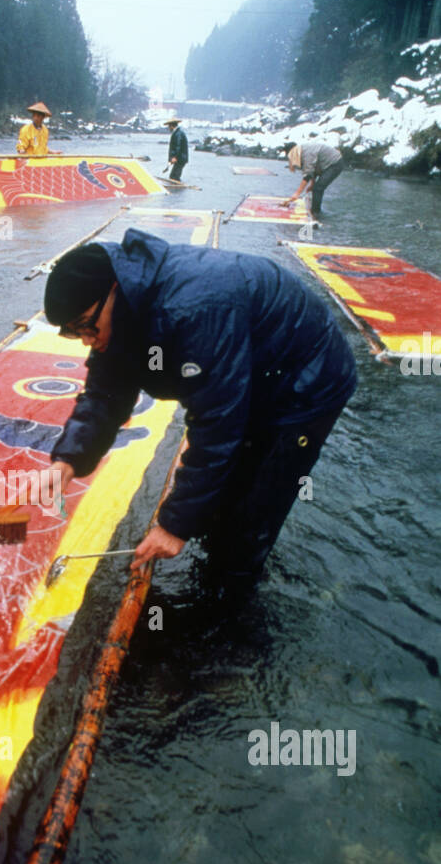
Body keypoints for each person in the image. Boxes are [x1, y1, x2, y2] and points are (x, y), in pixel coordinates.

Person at [41, 230, 357, 602]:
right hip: (251, 368)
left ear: (113, 290)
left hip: (306, 379)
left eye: (85, 326)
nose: (85, 340)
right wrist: (68, 459)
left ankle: (231, 604)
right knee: (222, 493)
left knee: (256, 504)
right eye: (73, 334)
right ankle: (215, 549)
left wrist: (173, 526)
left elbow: (218, 425)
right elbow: (104, 394)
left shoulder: (192, 309)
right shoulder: (123, 306)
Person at [282, 140, 344, 218]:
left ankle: (316, 213)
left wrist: (297, 193)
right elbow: (313, 169)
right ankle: (315, 210)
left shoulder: (307, 153)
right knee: (315, 188)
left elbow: (307, 174)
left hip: (335, 163)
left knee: (318, 189)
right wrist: (312, 183)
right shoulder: (302, 151)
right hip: (324, 165)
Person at [164, 117, 189, 181]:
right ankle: (177, 189)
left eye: (169, 126)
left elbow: (178, 146)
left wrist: (174, 157)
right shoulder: (177, 132)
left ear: (172, 125)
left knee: (174, 177)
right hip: (179, 158)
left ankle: (177, 189)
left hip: (180, 159)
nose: (168, 128)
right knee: (173, 176)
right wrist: (170, 160)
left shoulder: (178, 133)